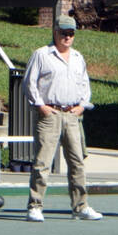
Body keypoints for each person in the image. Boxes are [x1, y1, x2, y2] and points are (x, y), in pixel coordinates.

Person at [23, 14, 102, 222]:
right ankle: (35, 205)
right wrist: (41, 106)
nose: (67, 37)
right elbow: (29, 83)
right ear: (55, 32)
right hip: (50, 114)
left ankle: (80, 206)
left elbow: (85, 84)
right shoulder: (41, 54)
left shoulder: (78, 57)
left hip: (72, 115)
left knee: (77, 162)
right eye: (64, 33)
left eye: (71, 33)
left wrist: (82, 106)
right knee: (43, 162)